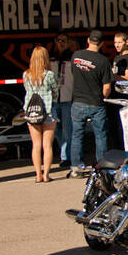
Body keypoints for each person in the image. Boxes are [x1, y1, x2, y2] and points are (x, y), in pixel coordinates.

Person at [68, 29, 111, 174]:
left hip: (78, 101)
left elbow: (74, 75)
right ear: (102, 43)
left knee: (77, 135)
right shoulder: (103, 61)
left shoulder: (76, 56)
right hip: (96, 103)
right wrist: (103, 97)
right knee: (100, 135)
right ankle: (101, 166)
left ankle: (76, 166)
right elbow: (106, 87)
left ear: (88, 40)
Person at [23, 45, 58, 182]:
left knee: (35, 145)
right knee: (47, 145)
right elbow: (56, 91)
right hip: (48, 111)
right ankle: (47, 175)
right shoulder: (49, 75)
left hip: (32, 112)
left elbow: (27, 91)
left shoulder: (26, 75)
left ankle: (38, 175)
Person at [50, 33, 73, 167]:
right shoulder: (51, 57)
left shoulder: (72, 56)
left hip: (67, 97)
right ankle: (64, 150)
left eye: (64, 40)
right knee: (55, 128)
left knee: (67, 129)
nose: (61, 43)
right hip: (53, 99)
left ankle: (66, 156)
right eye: (59, 40)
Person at [112, 32, 128, 150]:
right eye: (115, 42)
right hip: (116, 96)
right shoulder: (117, 57)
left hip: (127, 97)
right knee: (117, 126)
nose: (117, 45)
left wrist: (111, 75)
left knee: (127, 126)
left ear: (126, 42)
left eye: (119, 42)